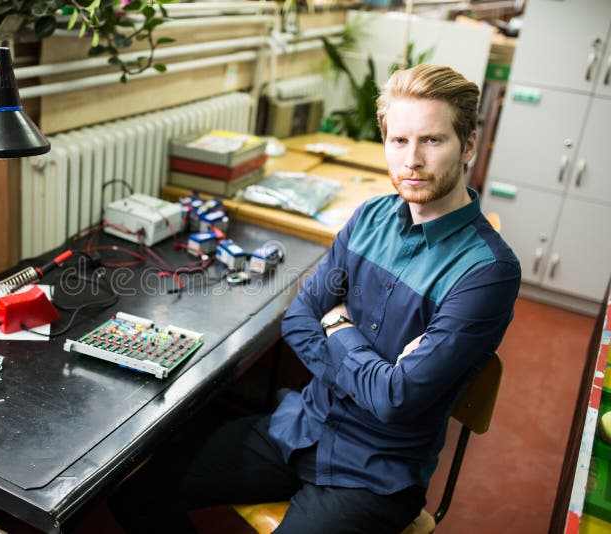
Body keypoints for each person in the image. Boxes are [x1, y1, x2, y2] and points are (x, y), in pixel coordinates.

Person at [108, 64, 521, 533]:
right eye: (399, 141)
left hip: (375, 473)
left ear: (467, 146)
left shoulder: (488, 272)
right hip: (304, 424)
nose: (412, 161)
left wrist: (340, 329)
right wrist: (376, 374)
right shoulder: (370, 217)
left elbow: (396, 400)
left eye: (432, 140)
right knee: (136, 494)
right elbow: (300, 317)